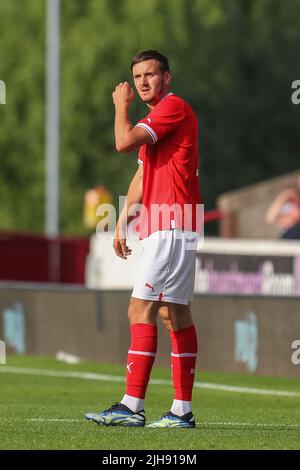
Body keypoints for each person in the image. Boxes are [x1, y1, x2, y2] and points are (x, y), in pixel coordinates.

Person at [85, 50, 200, 428]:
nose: (143, 82)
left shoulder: (173, 107)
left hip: (171, 222)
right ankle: (181, 411)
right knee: (173, 314)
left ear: (168, 77)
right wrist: (121, 223)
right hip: (167, 224)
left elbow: (122, 142)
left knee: (140, 310)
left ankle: (132, 405)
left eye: (151, 74)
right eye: (137, 77)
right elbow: (140, 175)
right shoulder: (158, 118)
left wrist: (120, 106)